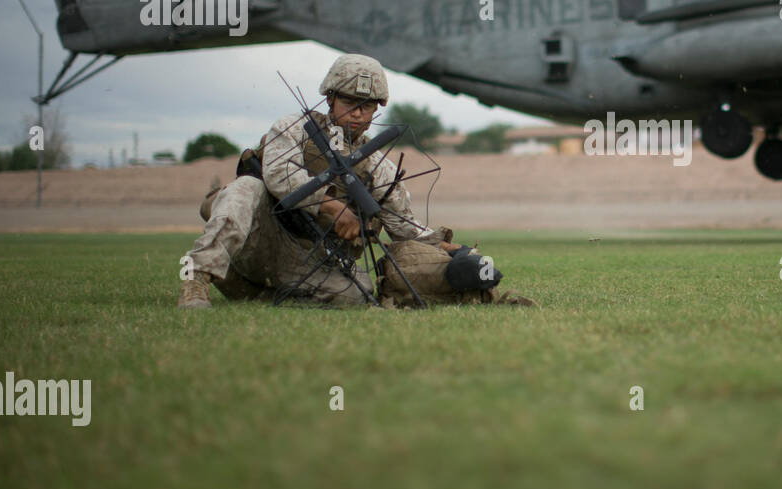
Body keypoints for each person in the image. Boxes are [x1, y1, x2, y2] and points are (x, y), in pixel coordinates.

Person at [178, 54, 534, 309]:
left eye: (367, 106)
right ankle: (196, 282)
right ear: (330, 98)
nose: (358, 113)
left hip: (307, 259)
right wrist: (331, 207)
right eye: (350, 102)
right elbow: (279, 175)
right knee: (245, 188)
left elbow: (403, 226)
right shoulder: (293, 128)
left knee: (359, 294)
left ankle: (256, 294)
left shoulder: (378, 167)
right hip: (264, 235)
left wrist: (445, 249)